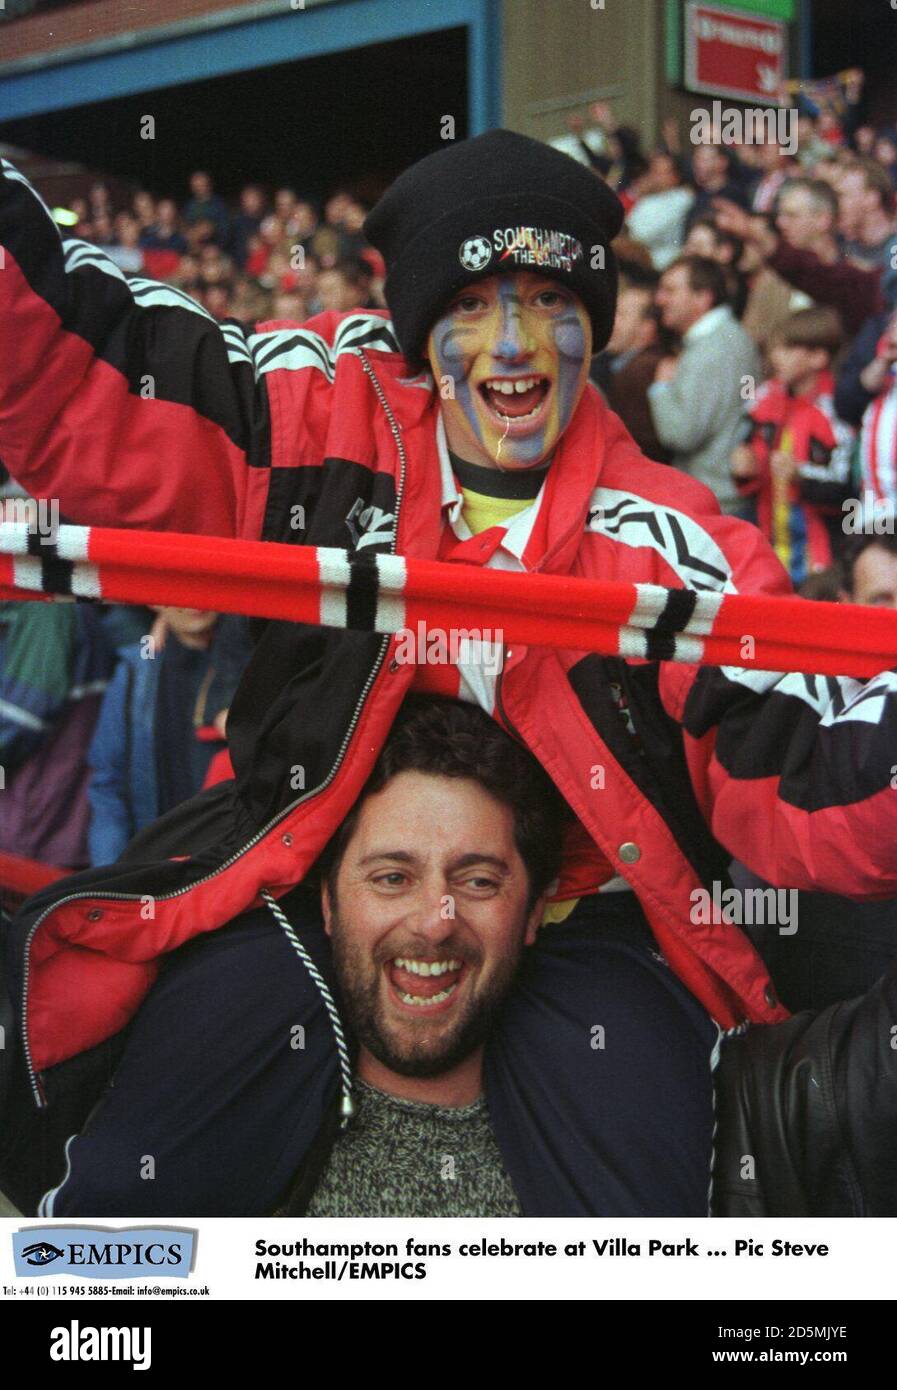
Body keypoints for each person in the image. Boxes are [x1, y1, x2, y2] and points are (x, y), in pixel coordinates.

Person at [6, 130, 897, 1171]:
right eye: (471, 304)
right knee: (185, 1079)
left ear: (594, 327)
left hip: (582, 916)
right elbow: (93, 381)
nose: (511, 343)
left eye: (551, 301)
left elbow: (801, 766)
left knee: (637, 1132)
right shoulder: (322, 417)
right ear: (419, 330)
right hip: (310, 870)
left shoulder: (668, 539)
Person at [6, 700, 895, 1219]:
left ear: (536, 910)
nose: (433, 922)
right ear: (326, 897)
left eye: (476, 880)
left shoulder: (674, 1094)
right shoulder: (198, 1091)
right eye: (392, 876)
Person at [86, 608, 253, 866]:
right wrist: (108, 879)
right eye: (179, 585)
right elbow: (109, 786)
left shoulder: (255, 662)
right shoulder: (135, 673)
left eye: (203, 579)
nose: (193, 600)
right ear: (152, 601)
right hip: (157, 868)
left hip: (234, 863)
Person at [730, 307, 853, 584]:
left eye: (787, 349)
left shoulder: (835, 410)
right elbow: (753, 465)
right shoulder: (766, 400)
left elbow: (847, 487)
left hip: (820, 553)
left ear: (818, 357)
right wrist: (744, 471)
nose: (775, 357)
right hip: (772, 542)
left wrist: (801, 476)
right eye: (775, 349)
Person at [649, 254, 761, 512]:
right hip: (724, 492)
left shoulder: (712, 351)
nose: (660, 299)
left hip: (714, 498)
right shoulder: (731, 338)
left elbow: (682, 434)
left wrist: (661, 389)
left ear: (703, 298)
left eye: (671, 290)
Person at [589, 263, 671, 462]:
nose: (612, 321)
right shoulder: (621, 365)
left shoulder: (640, 371)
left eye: (622, 315)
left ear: (647, 328)